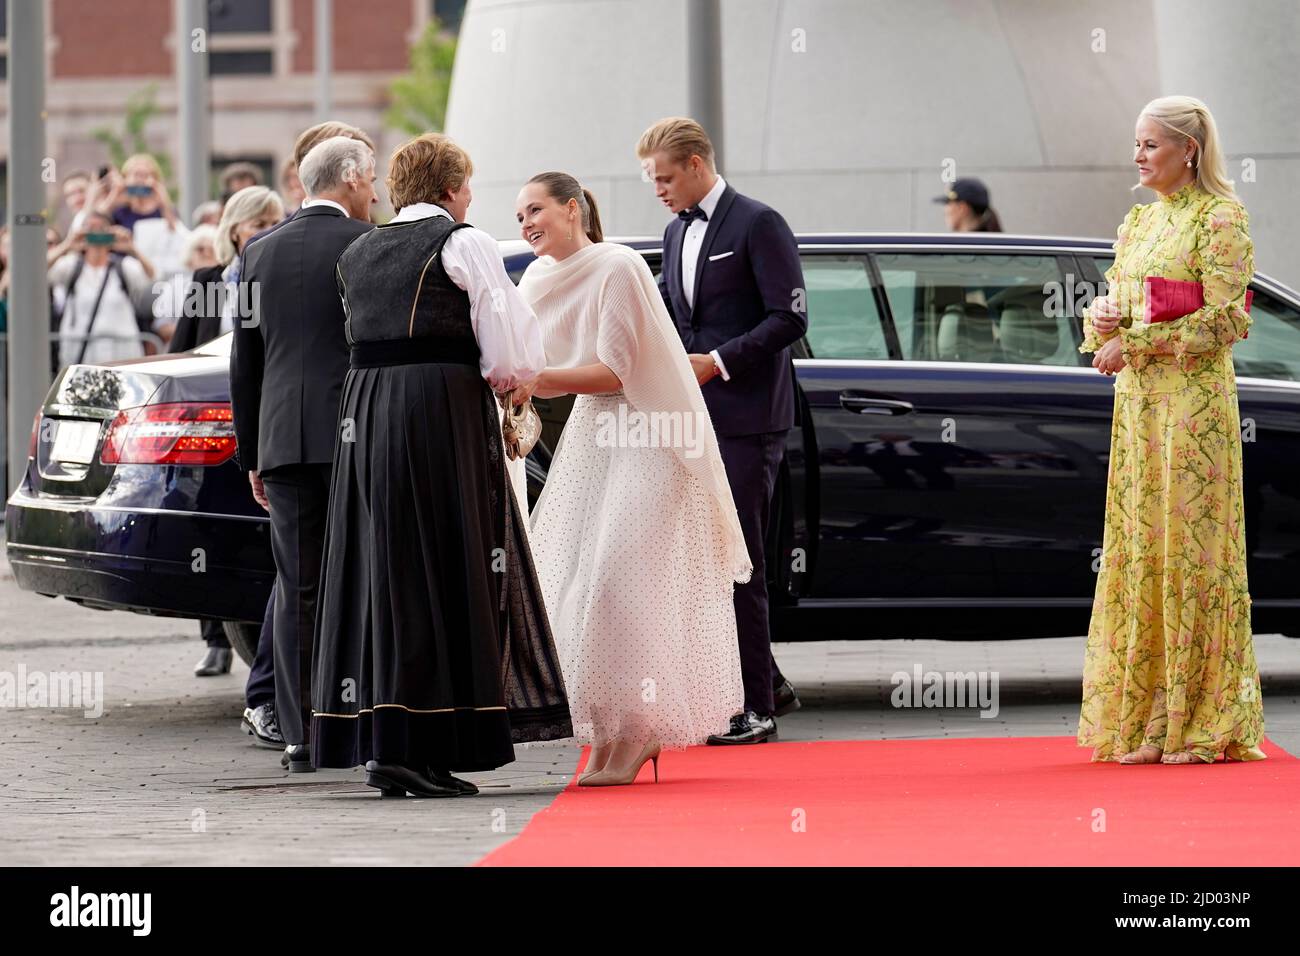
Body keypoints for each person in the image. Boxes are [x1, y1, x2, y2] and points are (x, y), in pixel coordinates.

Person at [311, 132, 571, 798]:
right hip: (438, 410)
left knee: (388, 574)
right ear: (453, 188)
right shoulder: (465, 242)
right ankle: (427, 743)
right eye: (468, 186)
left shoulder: (359, 249)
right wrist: (513, 388)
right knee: (446, 566)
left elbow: (356, 333)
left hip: (366, 414)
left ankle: (391, 744)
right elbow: (510, 350)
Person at [516, 172, 747, 786]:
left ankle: (640, 732)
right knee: (580, 583)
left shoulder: (617, 266)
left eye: (535, 209)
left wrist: (539, 379)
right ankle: (616, 734)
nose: (526, 223)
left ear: (572, 208)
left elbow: (617, 371)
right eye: (518, 216)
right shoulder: (536, 277)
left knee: (622, 581)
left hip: (650, 432)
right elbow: (520, 350)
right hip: (594, 437)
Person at [1077, 95, 1265, 765]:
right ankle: (1151, 723)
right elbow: (1121, 305)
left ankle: (1203, 724)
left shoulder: (1222, 218)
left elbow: (1227, 322)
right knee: (1141, 552)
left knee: (1191, 556)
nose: (1138, 156)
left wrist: (1139, 345)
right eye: (1136, 143)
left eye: (1150, 144)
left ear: (1188, 149)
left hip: (1195, 415)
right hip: (1139, 410)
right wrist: (1101, 323)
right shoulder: (1137, 223)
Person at [637, 117, 808, 744]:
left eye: (664, 177)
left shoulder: (758, 222)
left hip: (748, 419)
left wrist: (720, 362)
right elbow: (677, 319)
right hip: (693, 418)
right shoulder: (673, 231)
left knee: (742, 560)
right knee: (707, 559)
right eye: (652, 179)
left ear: (697, 164)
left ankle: (756, 709)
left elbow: (789, 317)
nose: (657, 189)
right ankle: (769, 686)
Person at [229, 136, 376, 772]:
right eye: (369, 177)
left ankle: (301, 734)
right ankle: (362, 721)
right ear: (346, 179)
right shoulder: (367, 244)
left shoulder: (256, 254)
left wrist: (253, 455)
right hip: (355, 433)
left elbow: (246, 363)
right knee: (365, 577)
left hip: (284, 441)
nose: (373, 189)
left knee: (298, 585)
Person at [47, 209, 157, 368]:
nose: (96, 232)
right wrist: (68, 245)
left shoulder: (123, 267)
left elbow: (153, 276)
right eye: (90, 227)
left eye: (102, 227)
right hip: (80, 353)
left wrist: (132, 248)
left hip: (121, 353)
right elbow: (38, 272)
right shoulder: (71, 266)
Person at [933, 178, 1003, 232]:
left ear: (962, 208)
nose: (945, 210)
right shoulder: (993, 244)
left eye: (948, 203)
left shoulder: (964, 247)